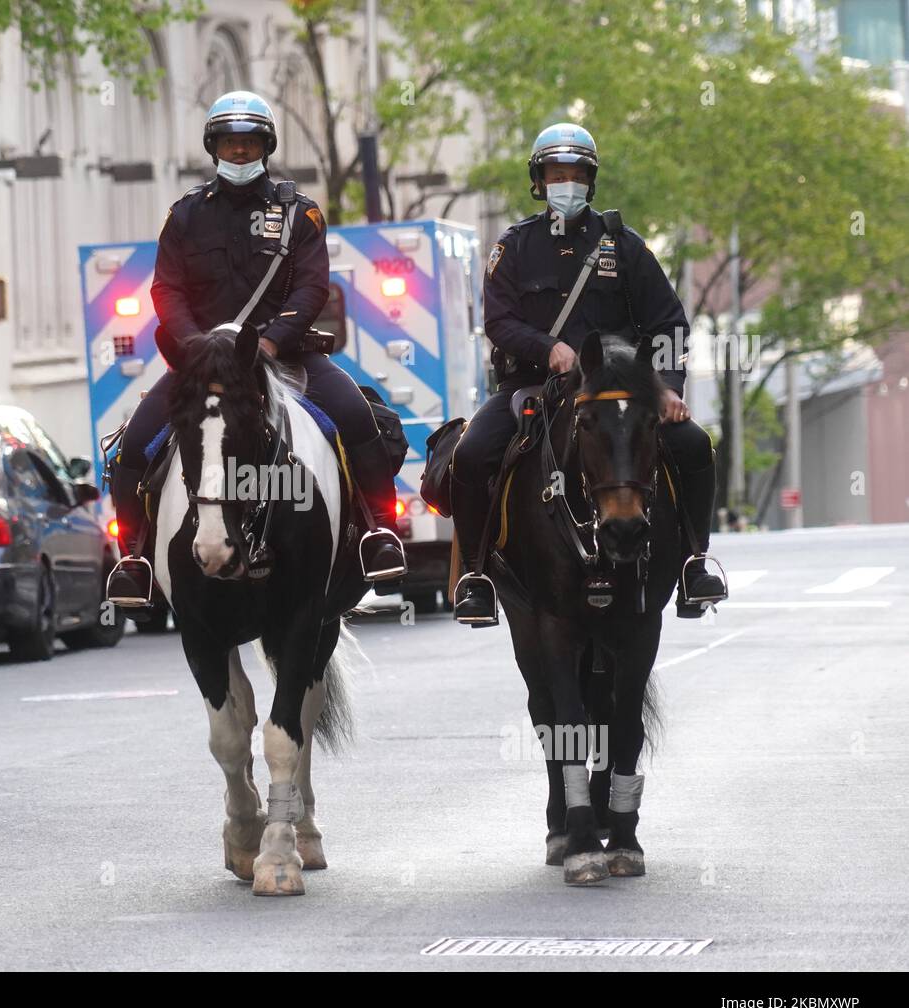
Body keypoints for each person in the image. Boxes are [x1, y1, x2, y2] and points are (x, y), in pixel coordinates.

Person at [105, 91, 406, 609]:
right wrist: (196, 346)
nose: (238, 152)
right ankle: (134, 556)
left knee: (357, 418)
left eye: (248, 144)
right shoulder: (183, 216)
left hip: (285, 355)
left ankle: (378, 531)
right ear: (214, 148)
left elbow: (312, 288)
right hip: (206, 364)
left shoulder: (300, 214)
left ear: (265, 147)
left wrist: (268, 342)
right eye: (229, 143)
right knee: (134, 444)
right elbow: (166, 290)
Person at [451, 122, 727, 626]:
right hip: (532, 385)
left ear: (591, 179)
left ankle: (694, 561)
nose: (566, 182)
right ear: (539, 181)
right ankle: (476, 577)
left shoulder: (625, 246)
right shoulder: (513, 247)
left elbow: (668, 323)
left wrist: (666, 387)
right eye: (556, 173)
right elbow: (498, 320)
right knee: (470, 455)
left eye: (575, 173)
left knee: (692, 444)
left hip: (617, 390)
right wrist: (548, 347)